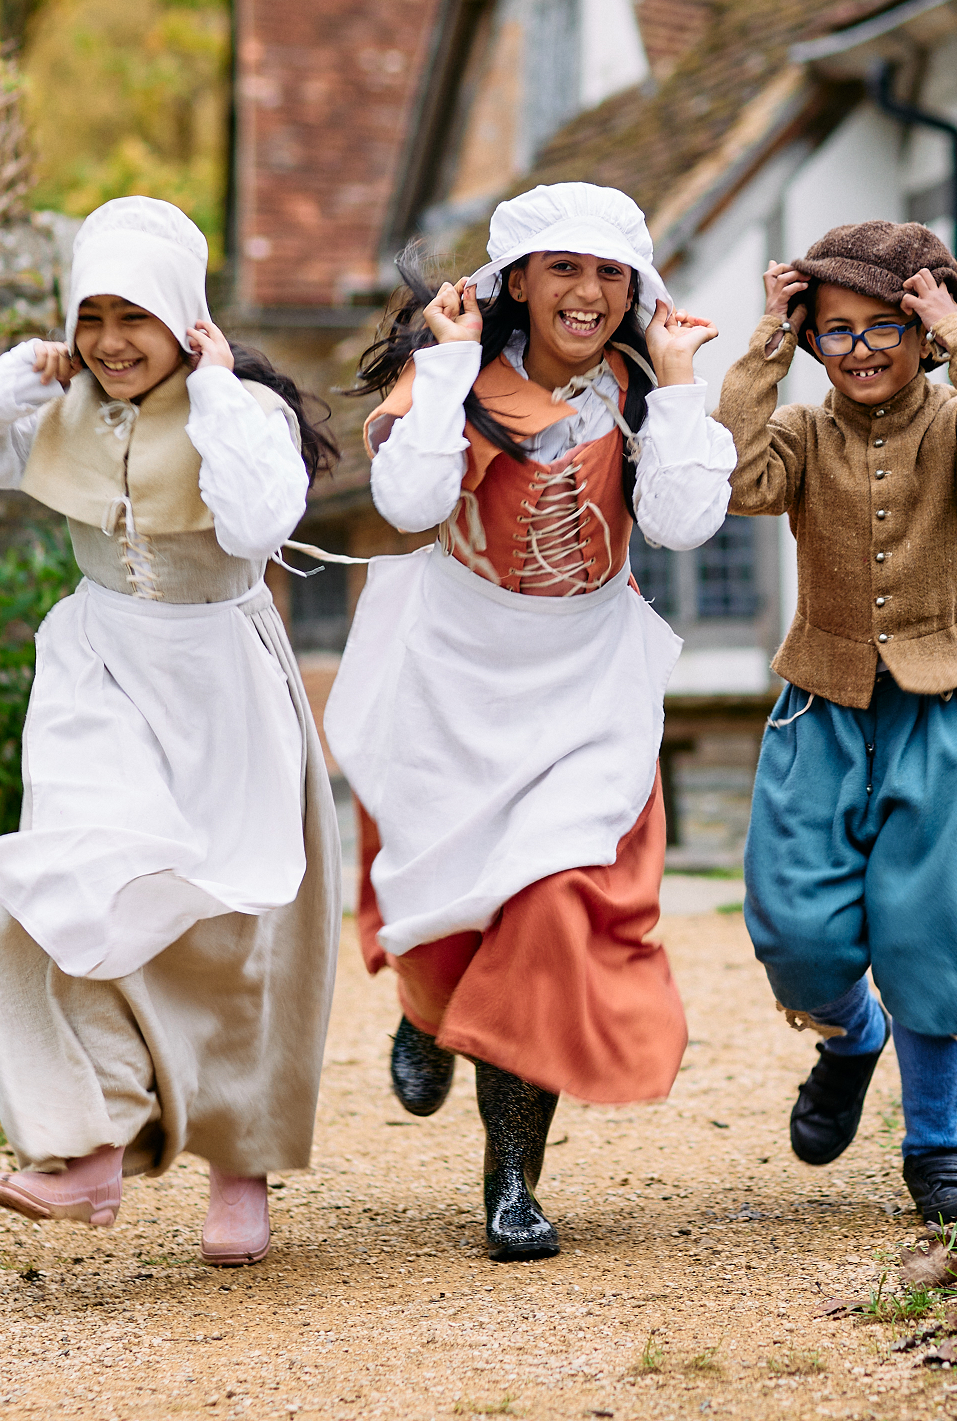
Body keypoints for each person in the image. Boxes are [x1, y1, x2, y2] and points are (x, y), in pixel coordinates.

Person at [0, 194, 339, 1269]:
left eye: (132, 316)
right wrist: (16, 378)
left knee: (232, 940)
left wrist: (224, 390)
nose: (108, 341)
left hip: (221, 680)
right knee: (66, 900)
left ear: (183, 317)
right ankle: (87, 1141)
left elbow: (257, 523)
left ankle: (242, 1165)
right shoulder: (60, 411)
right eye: (90, 316)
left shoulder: (244, 416)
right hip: (99, 672)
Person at [328, 181, 734, 1262]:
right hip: (457, 663)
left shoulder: (641, 394)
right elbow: (412, 507)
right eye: (564, 267)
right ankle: (426, 1009)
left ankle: (511, 1176)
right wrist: (450, 360)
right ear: (515, 279)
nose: (588, 293)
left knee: (551, 899)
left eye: (610, 273)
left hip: (587, 670)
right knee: (454, 902)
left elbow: (688, 525)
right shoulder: (458, 380)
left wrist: (685, 385)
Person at [713, 220, 957, 1224]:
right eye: (835, 331)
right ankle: (850, 1037)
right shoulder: (805, 436)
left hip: (944, 716)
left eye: (883, 328)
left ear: (920, 330)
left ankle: (935, 1145)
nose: (859, 350)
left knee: (924, 929)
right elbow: (733, 480)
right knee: (794, 929)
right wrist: (765, 349)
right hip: (821, 710)